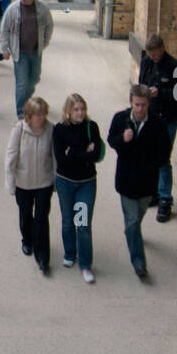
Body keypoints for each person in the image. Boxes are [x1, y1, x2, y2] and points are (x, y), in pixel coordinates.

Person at [107, 83, 172, 279]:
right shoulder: (120, 119)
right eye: (136, 104)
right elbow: (111, 140)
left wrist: (150, 164)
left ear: (149, 104)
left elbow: (164, 153)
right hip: (126, 181)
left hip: (147, 183)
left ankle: (132, 234)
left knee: (137, 217)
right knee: (133, 221)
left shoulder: (158, 124)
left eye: (143, 105)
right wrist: (123, 139)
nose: (140, 109)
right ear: (131, 103)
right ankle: (139, 263)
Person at [53, 94, 103, 282]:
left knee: (82, 224)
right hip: (65, 182)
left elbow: (96, 155)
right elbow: (61, 158)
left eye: (82, 109)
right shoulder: (60, 129)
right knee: (68, 221)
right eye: (76, 109)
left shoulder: (91, 127)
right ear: (68, 110)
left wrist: (73, 152)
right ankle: (70, 252)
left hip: (86, 183)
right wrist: (83, 153)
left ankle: (85, 264)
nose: (80, 113)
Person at [5, 96, 55, 274]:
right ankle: (27, 240)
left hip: (44, 183)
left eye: (44, 114)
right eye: (37, 114)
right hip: (23, 183)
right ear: (29, 115)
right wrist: (10, 183)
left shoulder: (50, 129)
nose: (41, 118)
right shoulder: (19, 129)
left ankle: (43, 258)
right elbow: (11, 157)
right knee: (26, 215)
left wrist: (55, 181)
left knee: (41, 219)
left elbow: (55, 157)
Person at [138, 33, 177, 221]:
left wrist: (161, 93)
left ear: (162, 49)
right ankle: (155, 192)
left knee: (163, 157)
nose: (153, 57)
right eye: (150, 54)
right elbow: (141, 83)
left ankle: (165, 199)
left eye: (155, 54)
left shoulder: (175, 68)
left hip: (168, 118)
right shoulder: (146, 63)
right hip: (150, 117)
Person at [0, 0, 55, 119]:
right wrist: (5, 48)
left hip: (36, 51)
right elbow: (4, 29)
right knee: (22, 83)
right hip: (20, 53)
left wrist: (45, 42)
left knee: (34, 78)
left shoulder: (42, 9)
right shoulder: (13, 9)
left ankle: (27, 101)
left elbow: (49, 25)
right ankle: (21, 113)